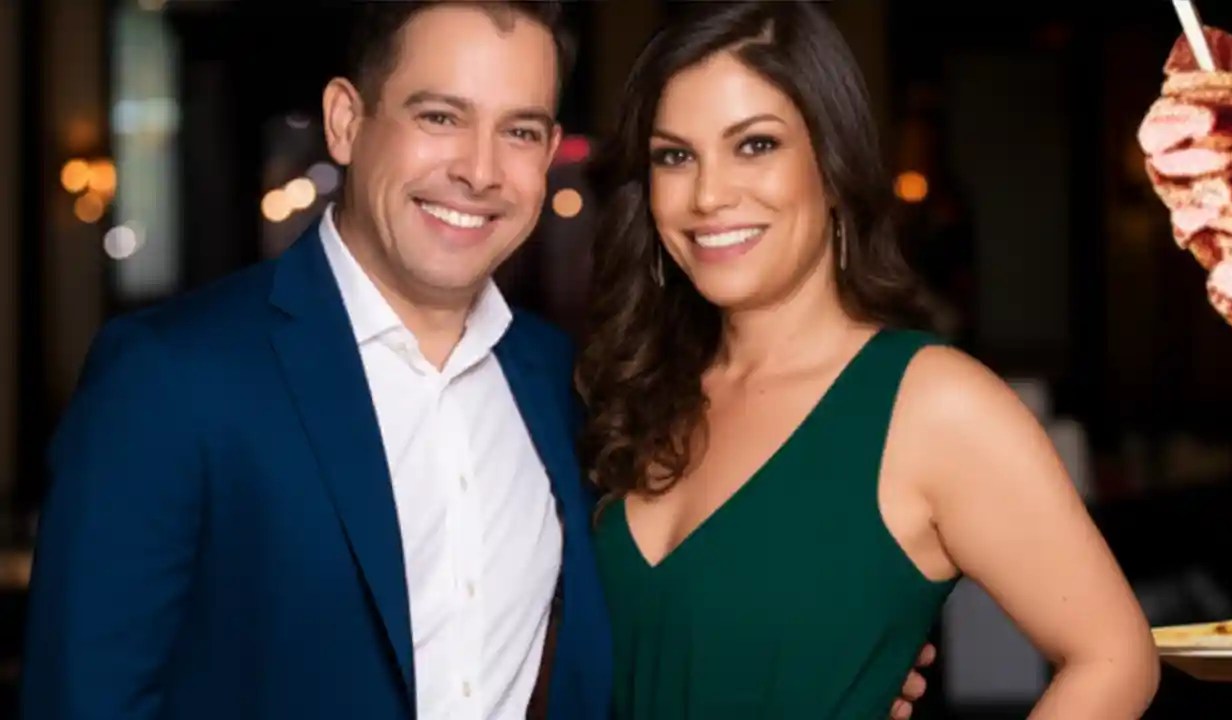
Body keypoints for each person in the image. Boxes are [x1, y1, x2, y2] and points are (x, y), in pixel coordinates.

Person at [19, 2, 931, 719]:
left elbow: (644, 635)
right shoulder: (169, 378)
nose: (481, 171)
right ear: (346, 122)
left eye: (523, 130)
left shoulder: (566, 384)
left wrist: (833, 670)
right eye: (441, 116)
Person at [577, 3, 1161, 719]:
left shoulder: (931, 404)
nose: (708, 195)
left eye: (755, 145)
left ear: (831, 163)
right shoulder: (639, 387)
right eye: (675, 155)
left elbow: (1114, 657)